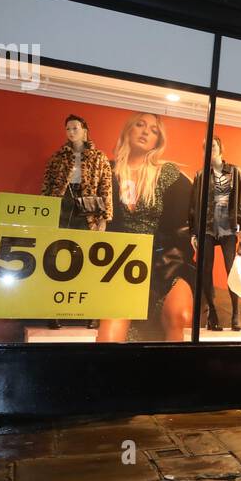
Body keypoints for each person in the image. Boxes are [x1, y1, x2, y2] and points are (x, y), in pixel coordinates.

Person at [98, 112, 195, 342]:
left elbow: (186, 222)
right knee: (111, 328)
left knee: (179, 314)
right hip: (117, 263)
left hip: (162, 262)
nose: (145, 132)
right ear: (128, 131)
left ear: (158, 141)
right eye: (140, 125)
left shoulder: (168, 174)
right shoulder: (105, 171)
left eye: (153, 130)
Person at [189, 136, 241, 331]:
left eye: (213, 146)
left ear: (220, 147)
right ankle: (213, 314)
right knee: (205, 270)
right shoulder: (200, 176)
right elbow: (193, 205)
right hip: (206, 227)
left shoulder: (234, 171)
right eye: (206, 147)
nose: (210, 149)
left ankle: (235, 314)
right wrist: (193, 232)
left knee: (231, 270)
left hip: (227, 227)